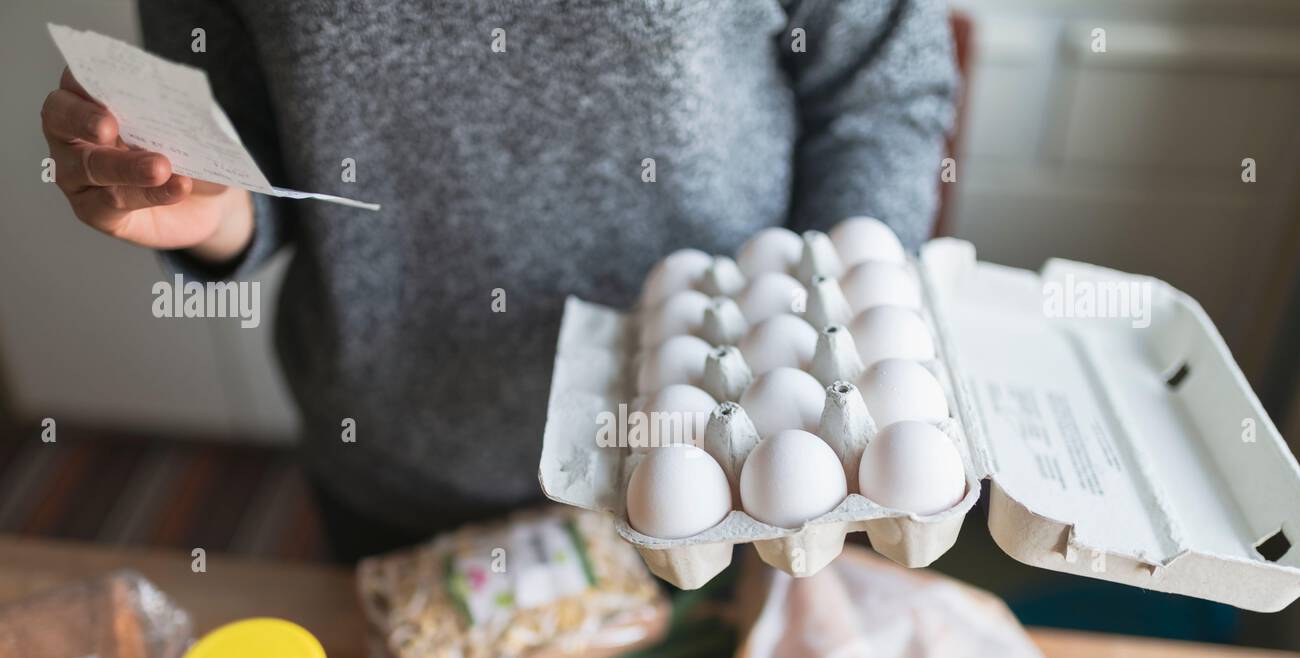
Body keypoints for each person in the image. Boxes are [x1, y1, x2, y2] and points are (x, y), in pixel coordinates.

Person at [40, 0, 957, 562]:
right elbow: (251, 158)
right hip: (407, 450)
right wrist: (206, 212)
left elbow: (883, 93)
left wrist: (837, 327)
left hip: (736, 462)